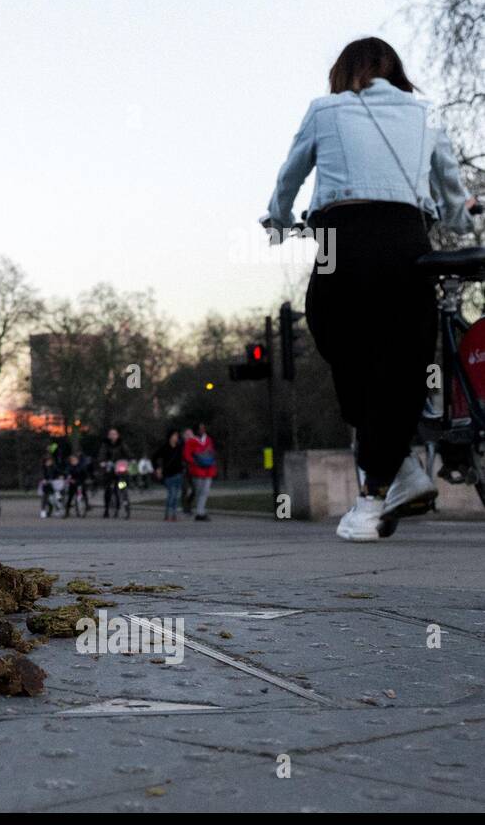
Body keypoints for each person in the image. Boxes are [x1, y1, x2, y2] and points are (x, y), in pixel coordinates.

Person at [264, 36, 477, 541]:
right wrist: (462, 220)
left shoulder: (325, 110)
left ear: (342, 73)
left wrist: (277, 219)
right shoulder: (425, 116)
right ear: (397, 73)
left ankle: (370, 499)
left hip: (342, 238)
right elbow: (453, 198)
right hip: (408, 239)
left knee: (339, 340)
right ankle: (400, 471)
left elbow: (290, 174)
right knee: (401, 362)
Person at [183, 423, 217, 521]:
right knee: (199, 491)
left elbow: (211, 451)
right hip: (197, 470)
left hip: (208, 468)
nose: (202, 430)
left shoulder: (208, 439)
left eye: (203, 428)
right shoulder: (191, 441)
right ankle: (200, 512)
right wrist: (194, 461)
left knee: (205, 491)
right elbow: (186, 454)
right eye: (200, 429)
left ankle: (200, 512)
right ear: (196, 430)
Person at [97, 427, 132, 518]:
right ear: (108, 436)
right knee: (108, 489)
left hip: (120, 469)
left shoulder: (122, 444)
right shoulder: (105, 445)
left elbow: (128, 453)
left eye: (114, 434)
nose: (113, 436)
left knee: (122, 485)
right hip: (110, 470)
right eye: (111, 434)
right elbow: (102, 454)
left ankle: (125, 502)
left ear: (118, 435)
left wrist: (130, 460)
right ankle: (107, 509)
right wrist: (102, 462)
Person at [153, 429, 185, 522]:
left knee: (176, 495)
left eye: (177, 436)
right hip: (168, 474)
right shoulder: (165, 447)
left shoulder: (179, 447)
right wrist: (157, 469)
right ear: (170, 437)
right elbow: (154, 458)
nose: (176, 437)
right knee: (172, 494)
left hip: (178, 473)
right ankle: (168, 514)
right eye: (174, 435)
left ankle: (173, 514)